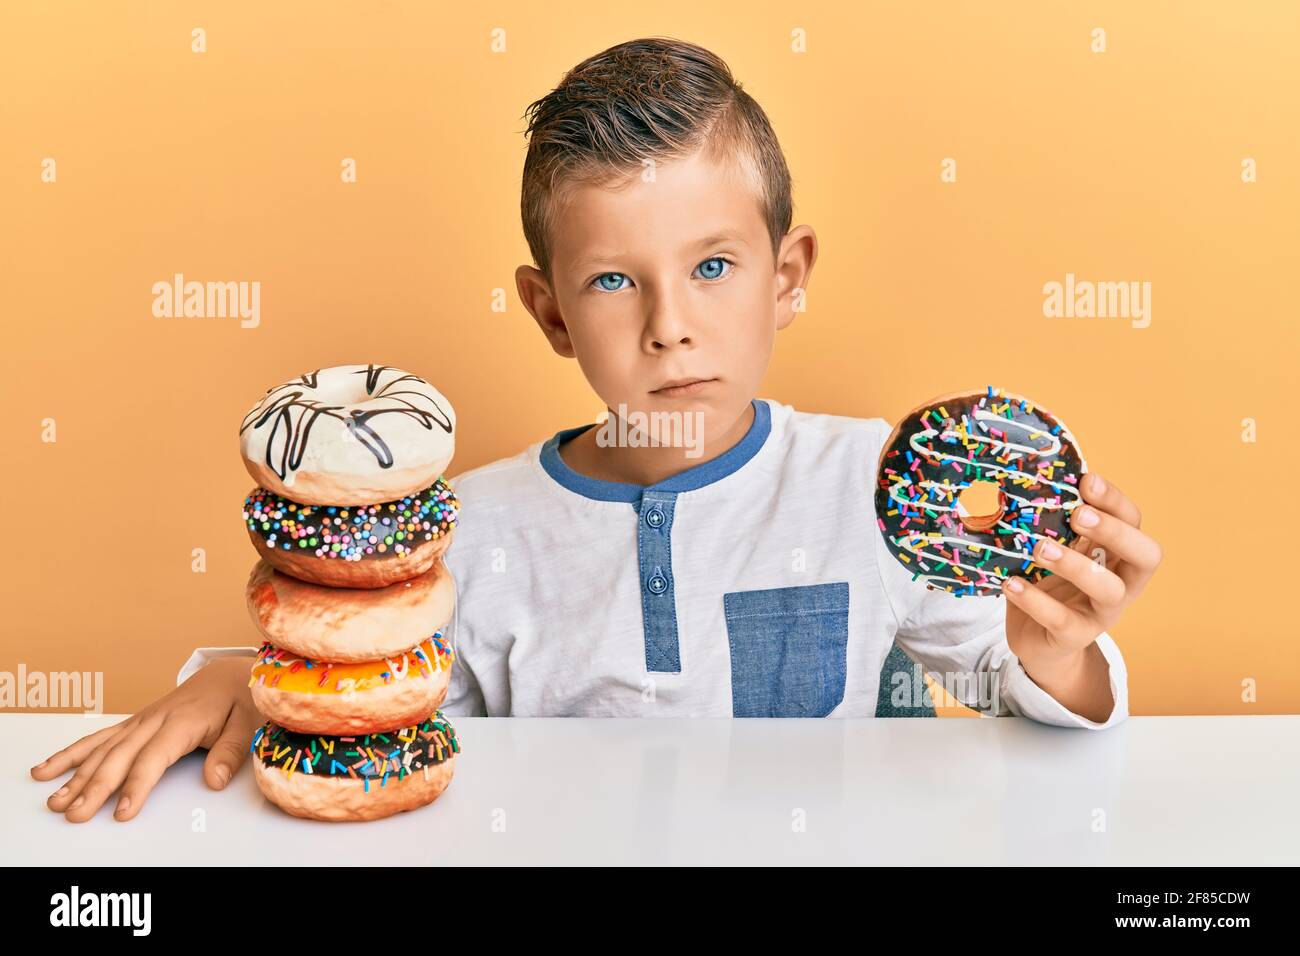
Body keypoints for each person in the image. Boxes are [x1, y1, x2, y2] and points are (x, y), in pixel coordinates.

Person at [31, 37, 1162, 823]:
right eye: (616, 280)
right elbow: (404, 736)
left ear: (788, 274)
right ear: (550, 312)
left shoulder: (867, 484)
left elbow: (1029, 705)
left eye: (714, 265)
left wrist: (1055, 644)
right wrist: (263, 676)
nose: (671, 328)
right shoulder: (460, 533)